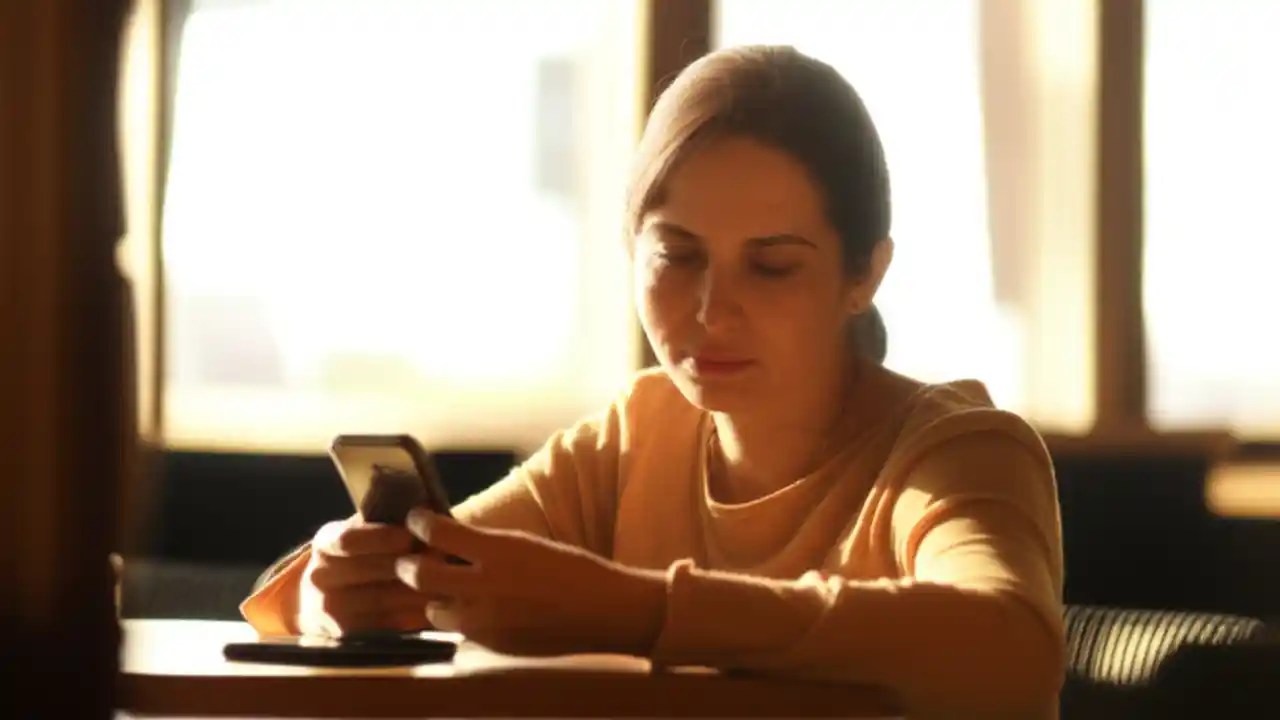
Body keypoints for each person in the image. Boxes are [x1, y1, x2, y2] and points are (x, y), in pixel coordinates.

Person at [241, 45, 1065, 718]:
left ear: (866, 276)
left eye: (773, 266)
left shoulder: (956, 451)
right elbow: (402, 580)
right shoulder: (641, 432)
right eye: (677, 256)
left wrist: (634, 608)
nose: (713, 310)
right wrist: (336, 591)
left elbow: (1013, 650)